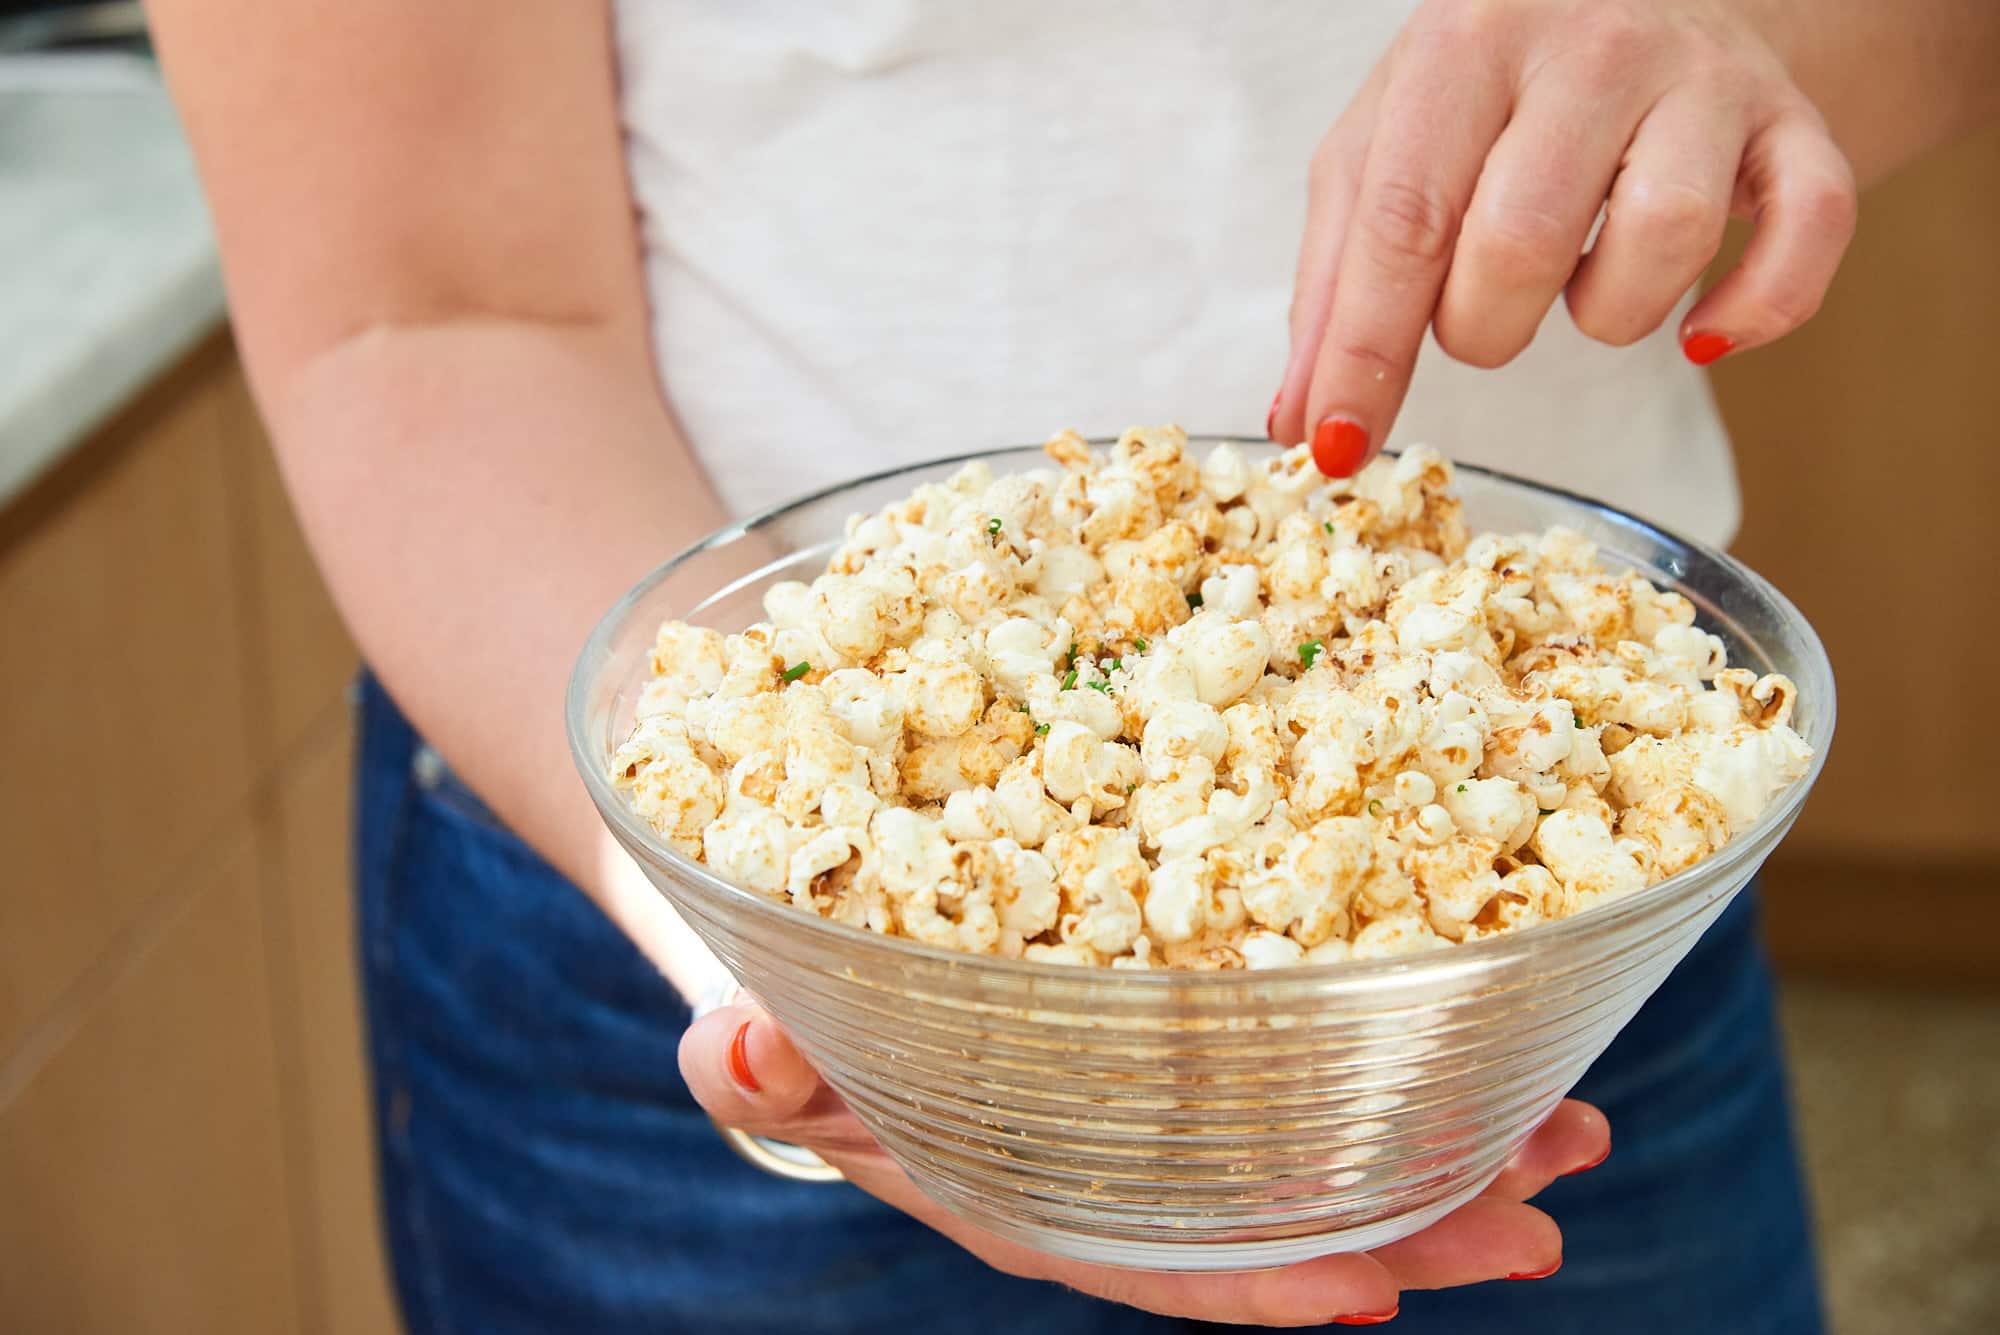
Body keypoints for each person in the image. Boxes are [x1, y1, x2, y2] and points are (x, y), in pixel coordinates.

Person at [147, 1, 1997, 1329]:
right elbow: (426, 304)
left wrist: (1724, 41)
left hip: (1545, 922)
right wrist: (838, 968)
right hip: (716, 950)